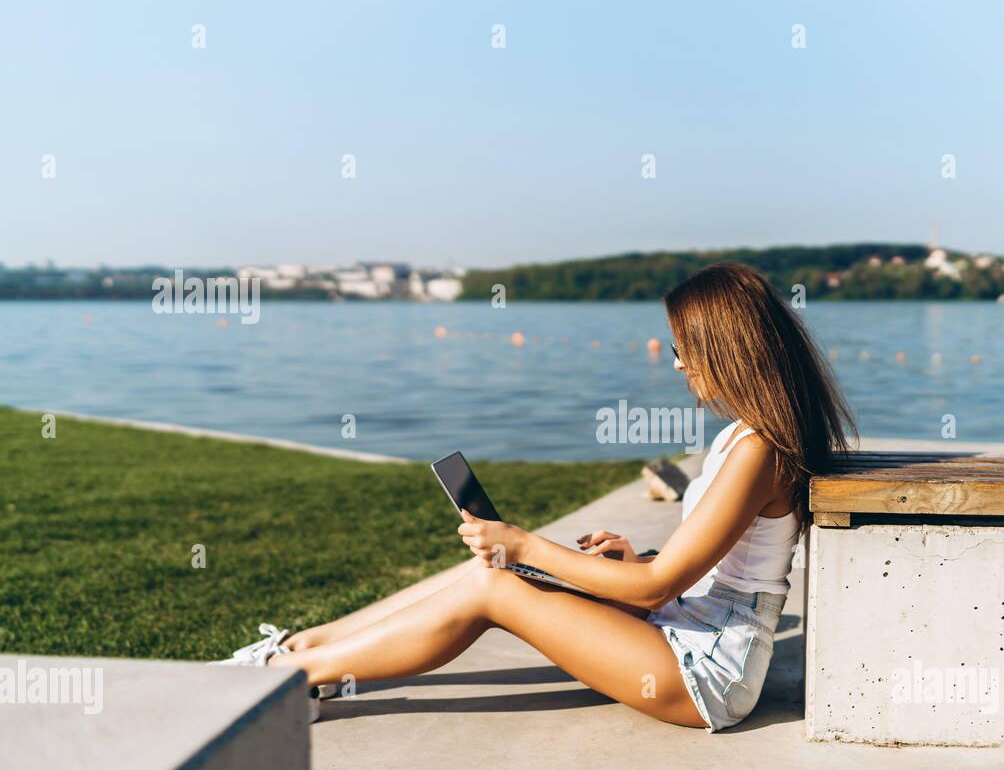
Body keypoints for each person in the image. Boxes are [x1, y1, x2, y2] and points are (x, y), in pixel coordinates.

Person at [216, 262, 854, 731]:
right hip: (684, 632)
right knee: (490, 569)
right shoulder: (747, 438)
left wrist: (528, 544)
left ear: (724, 350)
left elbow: (659, 589)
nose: (678, 363)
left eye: (685, 349)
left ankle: (285, 675)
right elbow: (690, 570)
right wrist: (629, 562)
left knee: (500, 581)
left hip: (707, 675)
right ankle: (304, 649)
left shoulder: (759, 450)